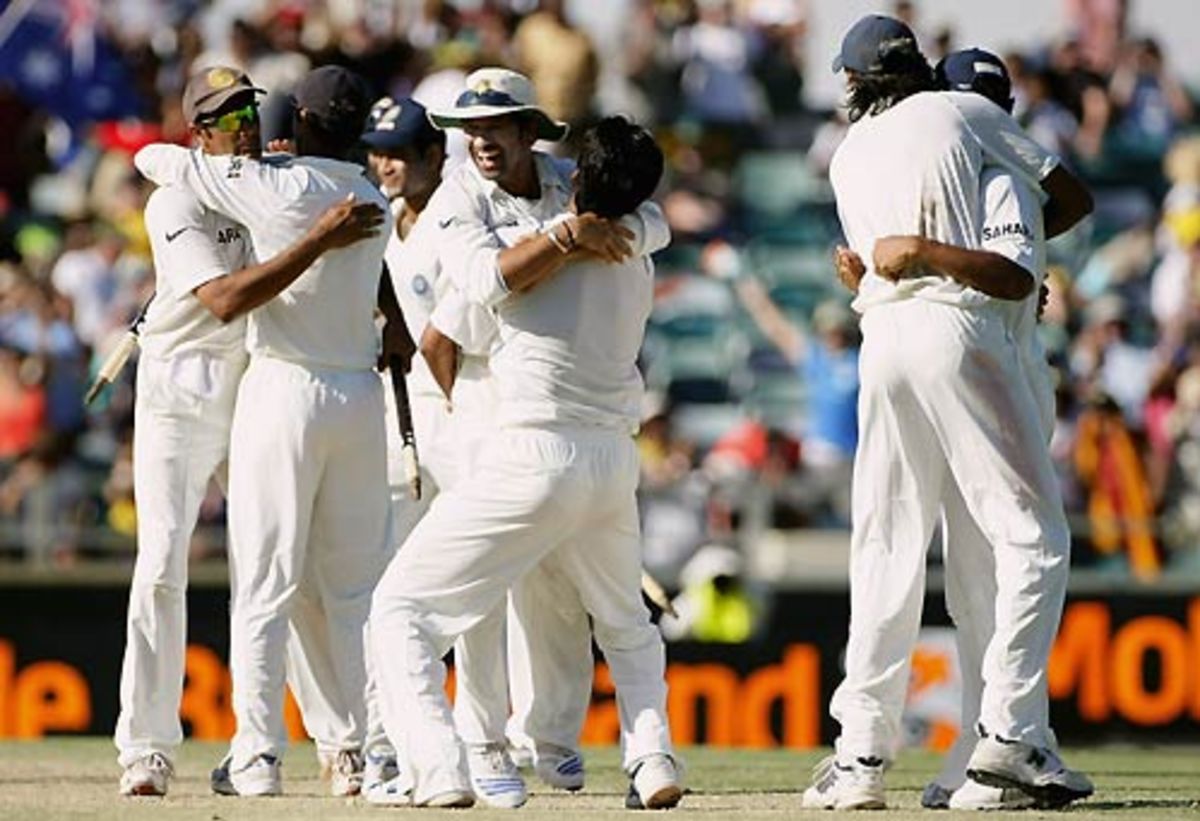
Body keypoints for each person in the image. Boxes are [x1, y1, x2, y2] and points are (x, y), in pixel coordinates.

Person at [802, 16, 1094, 811]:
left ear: (857, 81)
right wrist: (1009, 244)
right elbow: (1069, 200)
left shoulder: (849, 153)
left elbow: (877, 260)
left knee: (888, 544)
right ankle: (1007, 732)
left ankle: (860, 757)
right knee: (1034, 540)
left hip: (882, 338)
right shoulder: (968, 117)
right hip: (958, 331)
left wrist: (953, 248)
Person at [369, 114, 680, 810]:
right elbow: (650, 221)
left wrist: (460, 419)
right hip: (611, 463)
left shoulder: (522, 251)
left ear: (575, 178)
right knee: (625, 624)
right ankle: (653, 756)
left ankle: (443, 767)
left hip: (530, 450)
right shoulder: (638, 255)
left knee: (400, 609)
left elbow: (443, 336)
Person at [134, 65, 409, 797]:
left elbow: (151, 153)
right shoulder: (362, 191)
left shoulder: (267, 181)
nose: (245, 124)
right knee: (176, 566)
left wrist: (383, 302)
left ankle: (312, 749)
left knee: (287, 585)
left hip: (274, 386)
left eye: (251, 110)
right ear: (200, 130)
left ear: (295, 120)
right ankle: (150, 745)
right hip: (190, 382)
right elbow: (221, 294)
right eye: (226, 117)